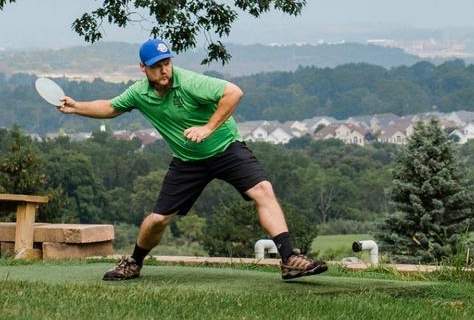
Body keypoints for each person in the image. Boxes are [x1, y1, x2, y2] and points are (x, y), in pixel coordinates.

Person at [57, 38, 327, 281]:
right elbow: (111, 107)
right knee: (158, 220)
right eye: (156, 66)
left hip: (226, 148)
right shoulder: (139, 93)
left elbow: (234, 92)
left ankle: (290, 258)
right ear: (143, 68)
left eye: (167, 63)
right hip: (187, 161)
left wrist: (208, 128)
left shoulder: (189, 82)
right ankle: (134, 262)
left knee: (263, 190)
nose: (164, 70)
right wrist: (76, 107)